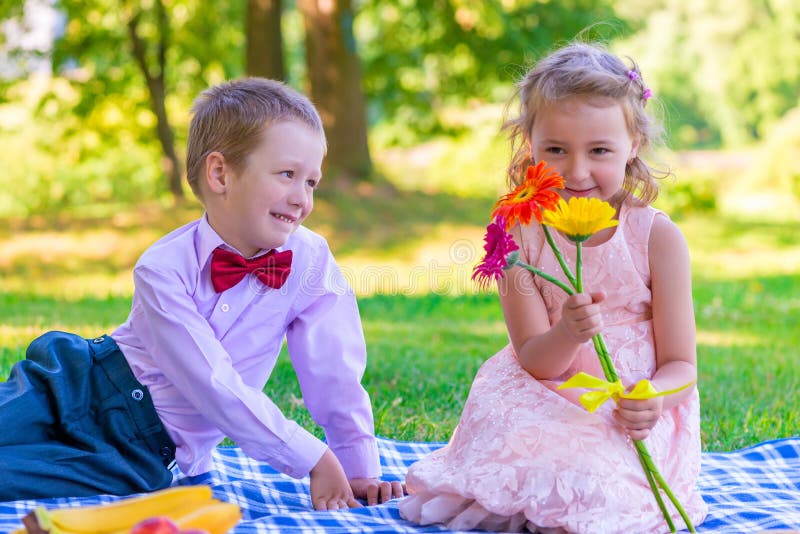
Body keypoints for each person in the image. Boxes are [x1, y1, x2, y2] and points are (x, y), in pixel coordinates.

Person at [0, 78, 404, 510]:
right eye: (288, 174)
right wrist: (312, 458)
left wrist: (357, 465)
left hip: (132, 452)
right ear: (220, 174)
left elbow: (334, 372)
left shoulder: (311, 260)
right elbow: (212, 383)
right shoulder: (162, 268)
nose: (301, 199)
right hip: (77, 385)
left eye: (311, 183)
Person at [398, 42, 708, 532]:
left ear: (635, 145)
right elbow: (537, 360)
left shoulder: (657, 238)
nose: (576, 172)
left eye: (600, 150)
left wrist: (655, 398)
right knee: (533, 456)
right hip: (541, 390)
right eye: (556, 150)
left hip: (626, 405)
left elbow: (682, 364)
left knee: (596, 477)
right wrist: (568, 330)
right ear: (529, 144)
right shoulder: (517, 234)